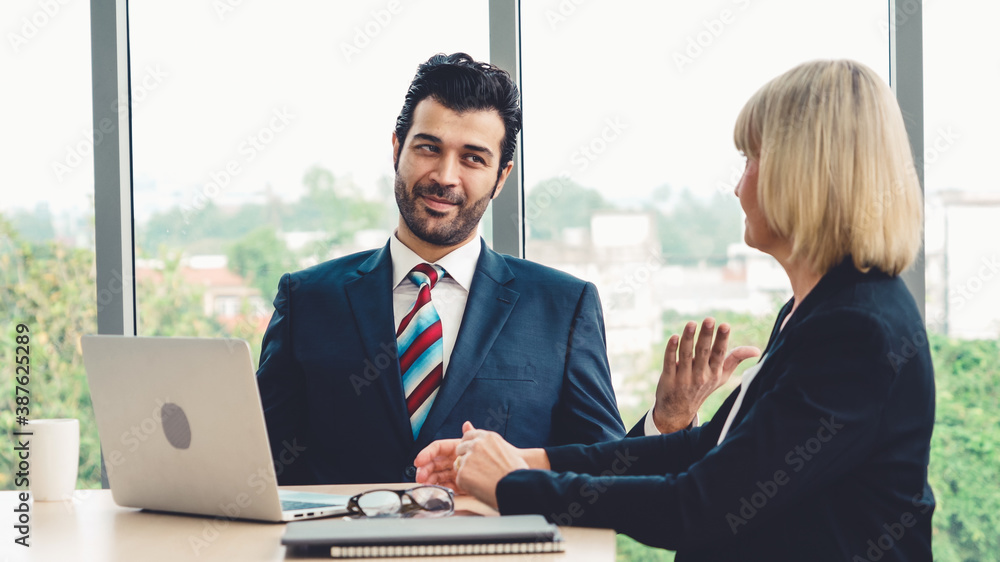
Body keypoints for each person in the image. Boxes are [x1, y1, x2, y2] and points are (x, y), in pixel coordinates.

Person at [415, 59, 935, 561]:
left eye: (751, 160)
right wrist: (534, 459)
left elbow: (697, 505)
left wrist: (516, 485)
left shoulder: (855, 330)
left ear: (802, 175)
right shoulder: (817, 312)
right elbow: (705, 447)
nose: (738, 186)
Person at [256, 53, 711, 486]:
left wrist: (666, 423)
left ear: (502, 176)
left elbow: (599, 476)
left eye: (473, 158)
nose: (445, 176)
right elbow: (261, 468)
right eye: (428, 148)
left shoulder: (562, 307)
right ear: (397, 149)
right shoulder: (307, 300)